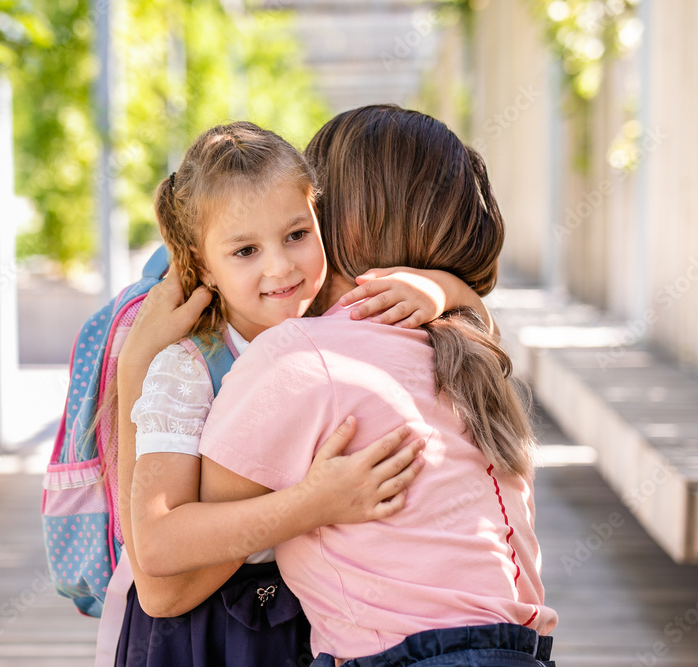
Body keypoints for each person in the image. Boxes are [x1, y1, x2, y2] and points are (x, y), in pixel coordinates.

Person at [183, 105, 559, 666]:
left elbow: (172, 578)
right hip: (520, 650)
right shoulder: (469, 350)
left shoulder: (301, 356)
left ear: (336, 219)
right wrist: (447, 286)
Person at [112, 121, 495, 666]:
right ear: (204, 268)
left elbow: (481, 335)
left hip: (301, 617)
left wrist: (440, 289)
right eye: (245, 251)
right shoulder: (191, 367)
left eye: (297, 235)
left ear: (320, 219)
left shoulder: (324, 319)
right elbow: (157, 546)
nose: (281, 267)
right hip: (208, 632)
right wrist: (312, 504)